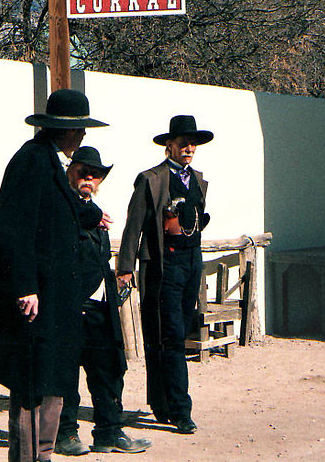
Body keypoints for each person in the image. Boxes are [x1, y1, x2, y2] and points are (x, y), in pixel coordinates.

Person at [0, 89, 108, 462]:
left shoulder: (48, 161)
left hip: (54, 299)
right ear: (62, 129)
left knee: (50, 379)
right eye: (78, 129)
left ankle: (42, 455)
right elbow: (15, 228)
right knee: (34, 382)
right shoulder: (32, 161)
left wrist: (90, 215)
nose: (82, 136)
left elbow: (53, 213)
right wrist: (26, 286)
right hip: (37, 298)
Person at [116, 115, 213, 435]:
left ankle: (161, 403)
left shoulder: (197, 179)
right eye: (182, 142)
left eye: (193, 142)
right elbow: (134, 225)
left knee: (177, 331)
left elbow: (196, 221)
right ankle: (181, 409)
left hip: (191, 263)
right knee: (169, 335)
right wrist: (125, 268)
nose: (189, 147)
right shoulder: (151, 179)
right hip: (163, 264)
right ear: (168, 145)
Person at [55, 146, 152, 456]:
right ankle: (65, 433)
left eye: (94, 175)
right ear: (70, 173)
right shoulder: (62, 208)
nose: (88, 178)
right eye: (83, 172)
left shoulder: (95, 210)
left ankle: (109, 432)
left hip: (100, 306)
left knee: (110, 371)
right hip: (70, 308)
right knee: (67, 374)